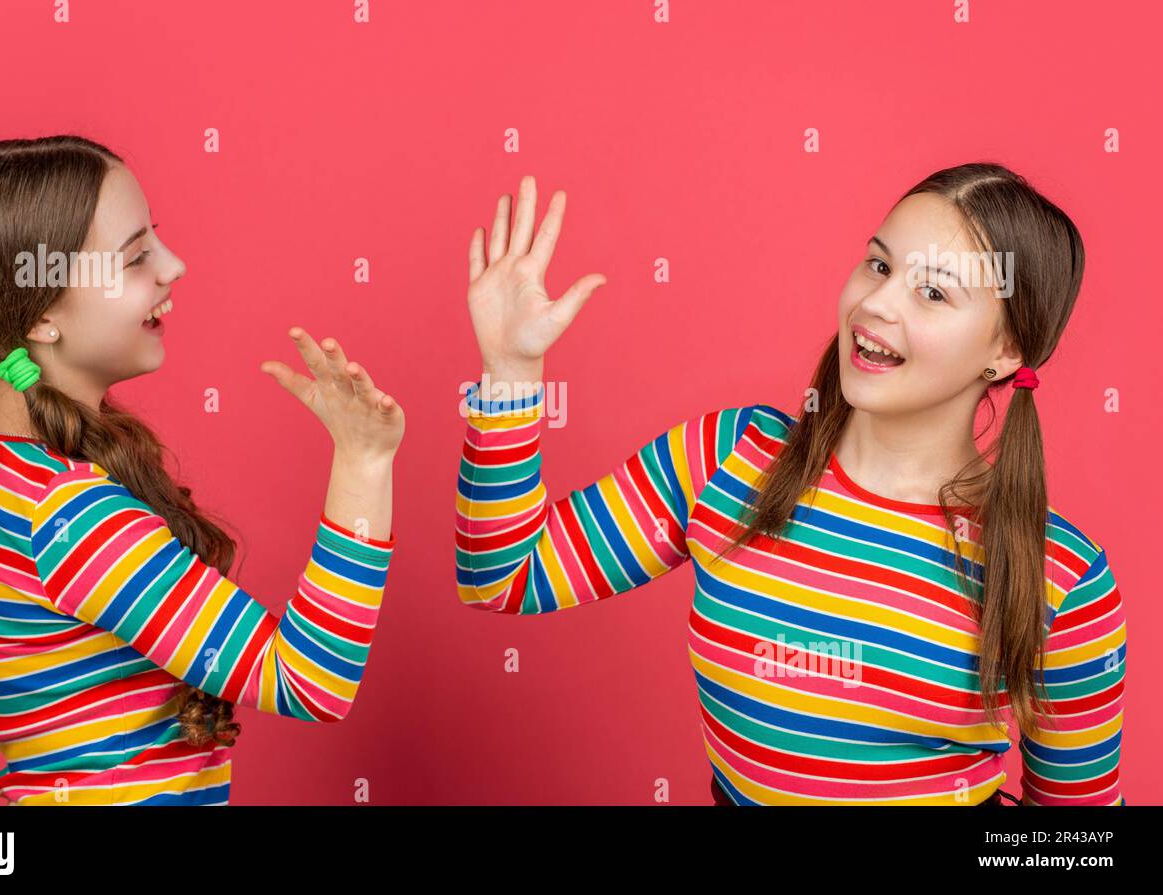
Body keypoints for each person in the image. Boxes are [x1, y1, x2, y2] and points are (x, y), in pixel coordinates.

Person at [455, 167, 1125, 805]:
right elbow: (503, 575)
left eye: (932, 292)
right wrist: (511, 369)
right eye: (880, 265)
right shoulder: (731, 458)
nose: (875, 303)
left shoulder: (1061, 577)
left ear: (1005, 351)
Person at [0, 135, 404, 805]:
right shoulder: (69, 514)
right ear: (42, 315)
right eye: (136, 256)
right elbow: (309, 680)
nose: (173, 266)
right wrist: (364, 458)